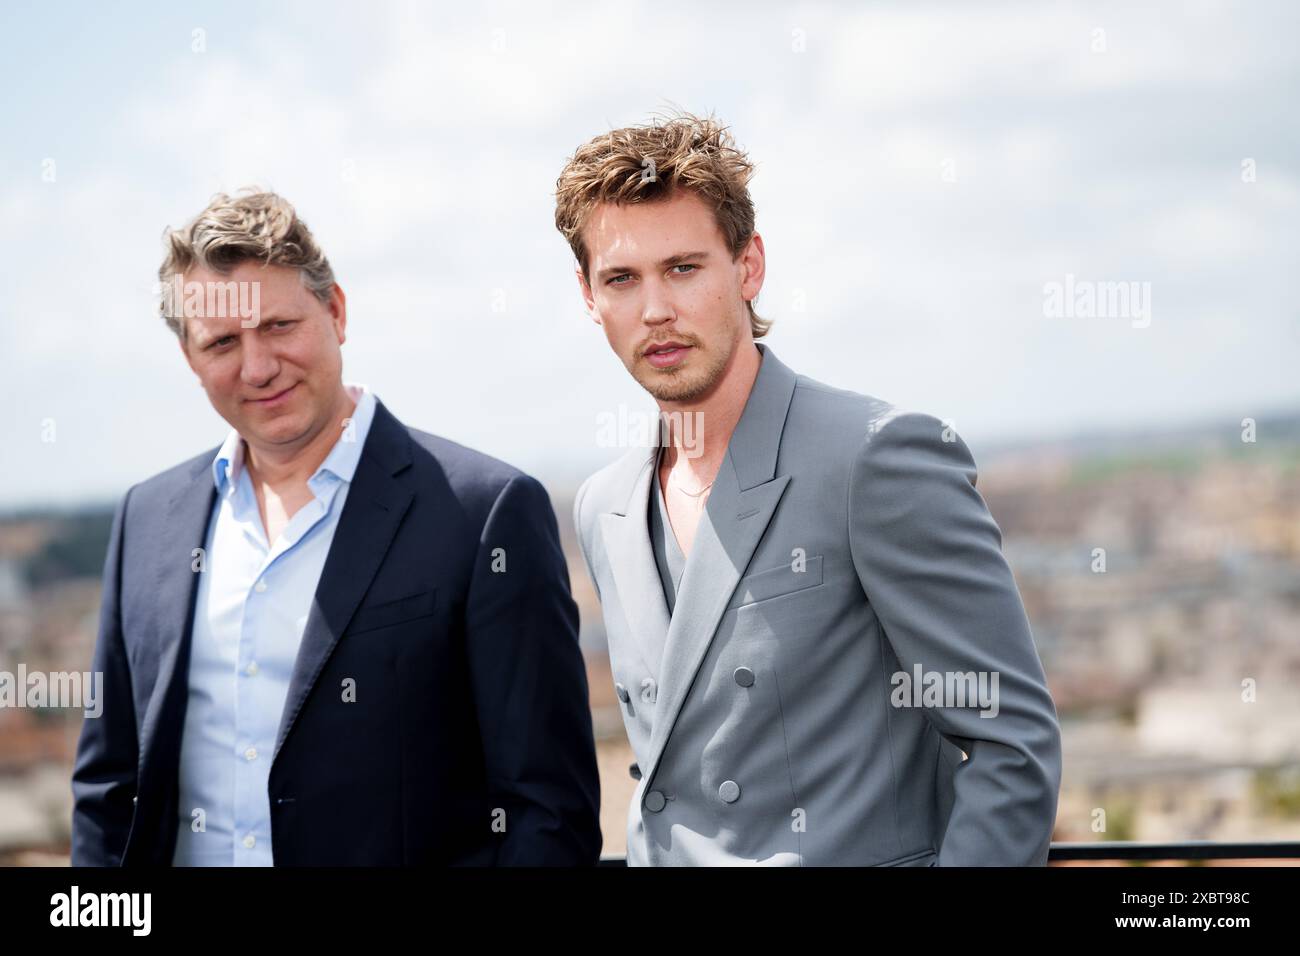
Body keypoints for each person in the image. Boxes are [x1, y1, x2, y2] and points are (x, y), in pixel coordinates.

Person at [555, 112, 1062, 865]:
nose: (655, 309)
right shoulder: (604, 506)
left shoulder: (876, 458)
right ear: (590, 298)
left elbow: (1011, 747)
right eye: (622, 279)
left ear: (748, 265)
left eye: (684, 268)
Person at [72, 190, 601, 866]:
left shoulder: (485, 513)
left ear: (336, 311)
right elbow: (108, 791)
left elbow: (547, 812)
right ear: (189, 358)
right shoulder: (146, 520)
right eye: (224, 342)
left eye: (278, 327)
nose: (258, 367)